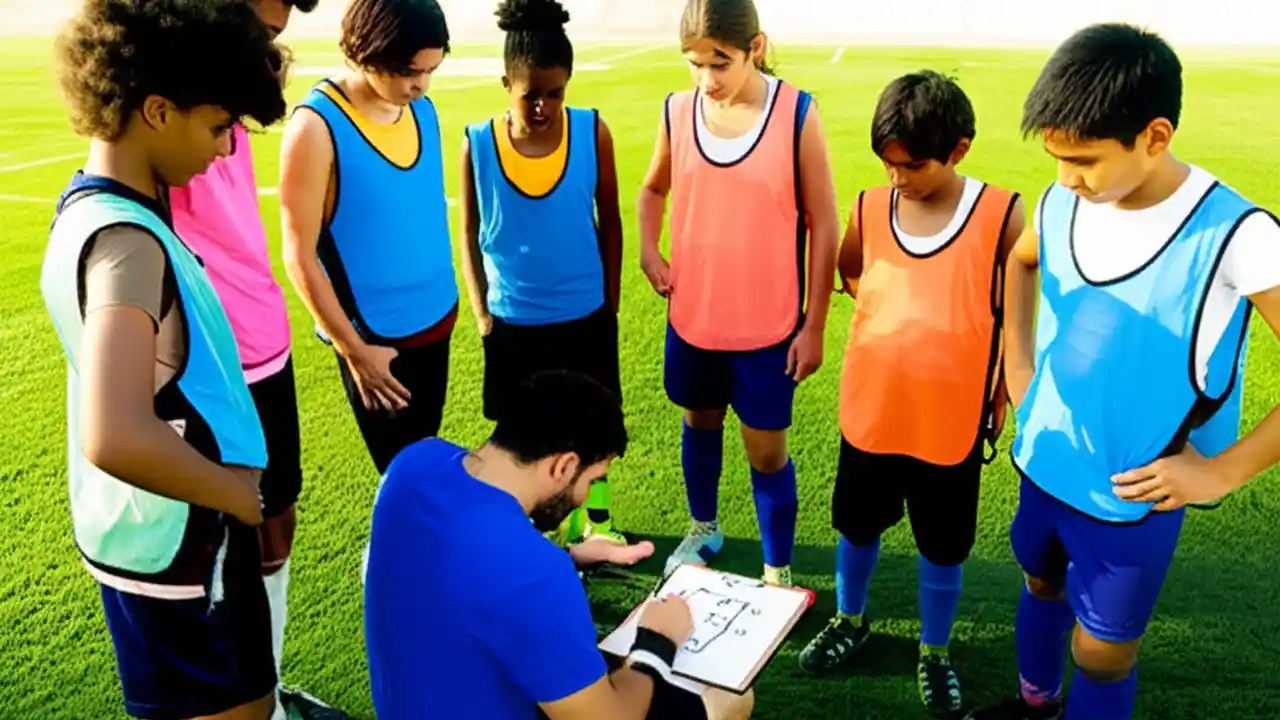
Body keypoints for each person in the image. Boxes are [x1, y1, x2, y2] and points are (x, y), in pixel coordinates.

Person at [965, 23, 1280, 720]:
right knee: (1040, 584)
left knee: (1102, 653)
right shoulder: (1064, 201)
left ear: (1155, 136)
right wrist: (1018, 365)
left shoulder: (1239, 236)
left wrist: (1220, 472)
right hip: (1045, 462)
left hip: (1133, 494)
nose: (1066, 178)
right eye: (1055, 158)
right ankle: (1036, 702)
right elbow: (1020, 264)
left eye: (1083, 159)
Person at [40, 1, 289, 718]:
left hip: (157, 539)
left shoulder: (89, 208)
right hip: (183, 547)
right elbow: (115, 432)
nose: (225, 149)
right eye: (219, 126)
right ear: (155, 110)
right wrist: (234, 496)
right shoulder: (128, 244)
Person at [797, 71, 1024, 717]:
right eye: (888, 164)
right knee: (856, 524)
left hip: (949, 420)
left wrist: (1001, 385)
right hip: (873, 408)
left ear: (960, 148)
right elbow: (850, 266)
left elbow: (1016, 312)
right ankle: (851, 618)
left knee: (942, 544)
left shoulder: (1003, 213)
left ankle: (935, 649)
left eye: (914, 165)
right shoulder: (872, 206)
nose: (899, 177)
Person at [363, 371, 755, 720]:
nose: (585, 497)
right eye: (593, 479)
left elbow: (458, 565)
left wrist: (571, 559)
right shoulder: (534, 572)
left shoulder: (412, 465)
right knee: (726, 700)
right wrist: (657, 643)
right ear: (564, 466)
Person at [166, 2, 347, 718]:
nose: (264, 43)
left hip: (265, 339)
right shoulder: (165, 85)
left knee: (278, 517)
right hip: (204, 361)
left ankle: (270, 688)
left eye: (272, 32)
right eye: (257, 24)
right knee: (214, 551)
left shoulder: (235, 88)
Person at [637, 0, 840, 589]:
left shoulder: (797, 112)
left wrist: (815, 324)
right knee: (699, 422)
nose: (706, 79)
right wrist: (651, 249)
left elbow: (824, 223)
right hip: (694, 320)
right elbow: (653, 189)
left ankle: (777, 568)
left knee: (766, 455)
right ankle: (705, 528)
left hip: (768, 328)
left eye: (719, 63)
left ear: (755, 47)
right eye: (694, 64)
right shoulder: (677, 111)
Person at [459, 0, 632, 547]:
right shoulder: (478, 143)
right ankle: (525, 538)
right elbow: (467, 232)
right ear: (505, 83)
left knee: (596, 437)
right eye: (529, 94)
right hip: (515, 327)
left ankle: (597, 524)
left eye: (554, 93)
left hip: (585, 319)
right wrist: (483, 313)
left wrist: (610, 303)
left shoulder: (591, 132)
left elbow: (611, 221)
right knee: (525, 444)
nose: (542, 106)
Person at [280, 0, 457, 475]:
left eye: (431, 70)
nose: (420, 85)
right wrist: (354, 352)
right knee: (402, 476)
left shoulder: (423, 111)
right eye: (407, 71)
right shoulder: (317, 127)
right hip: (377, 342)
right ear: (367, 52)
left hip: (437, 323)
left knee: (423, 462)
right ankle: (397, 552)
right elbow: (298, 254)